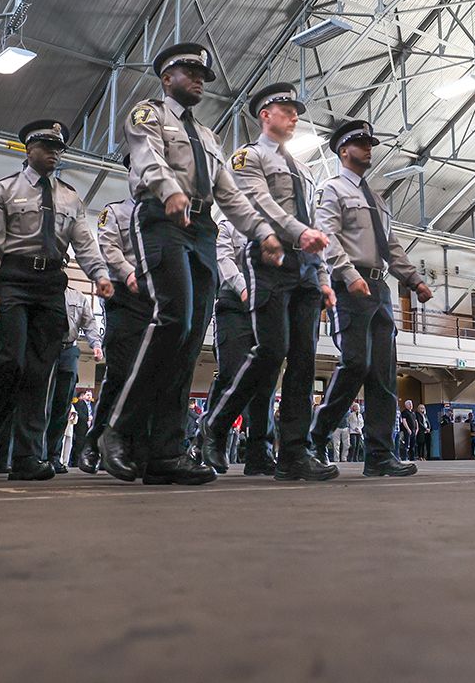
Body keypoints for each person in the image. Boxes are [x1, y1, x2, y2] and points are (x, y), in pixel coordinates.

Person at [101, 42, 282, 486]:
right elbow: (147, 158)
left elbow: (230, 195)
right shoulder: (148, 114)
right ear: (167, 78)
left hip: (202, 230)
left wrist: (263, 232)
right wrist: (170, 191)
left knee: (188, 341)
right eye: (191, 72)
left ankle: (166, 453)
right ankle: (117, 428)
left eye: (203, 75)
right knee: (173, 320)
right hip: (161, 218)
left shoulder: (208, 136)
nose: (200, 80)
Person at [200, 82, 335, 481]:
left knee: (304, 361)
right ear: (265, 114)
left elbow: (313, 222)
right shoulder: (249, 157)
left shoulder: (305, 170)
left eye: (296, 112)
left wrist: (323, 276)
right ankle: (216, 423)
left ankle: (294, 453)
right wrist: (299, 234)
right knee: (271, 351)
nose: (294, 116)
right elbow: (259, 203)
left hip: (304, 267)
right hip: (268, 259)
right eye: (286, 110)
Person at [0, 120, 112, 481]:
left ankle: (27, 456)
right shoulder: (4, 190)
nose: (53, 154)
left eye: (58, 149)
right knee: (9, 364)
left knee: (40, 373)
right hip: (12, 281)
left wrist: (100, 275)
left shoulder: (70, 197)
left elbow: (84, 242)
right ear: (28, 150)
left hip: (50, 285)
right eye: (46, 147)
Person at [309, 119, 433, 477]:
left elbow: (391, 246)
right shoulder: (332, 190)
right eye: (361, 143)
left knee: (383, 373)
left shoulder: (376, 199)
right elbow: (327, 237)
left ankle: (379, 454)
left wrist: (414, 280)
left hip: (380, 289)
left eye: (370, 144)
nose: (368, 149)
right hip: (351, 286)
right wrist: (349, 275)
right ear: (343, 150)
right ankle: (315, 439)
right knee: (355, 363)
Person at [77, 192, 154, 474]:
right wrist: (130, 273)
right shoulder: (116, 211)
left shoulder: (164, 214)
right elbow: (109, 246)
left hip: (156, 298)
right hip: (124, 294)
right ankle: (94, 441)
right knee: (121, 373)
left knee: (149, 376)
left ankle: (134, 447)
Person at [203, 215, 274, 475]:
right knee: (231, 375)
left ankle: (260, 452)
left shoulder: (273, 225)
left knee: (265, 381)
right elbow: (224, 260)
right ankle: (212, 439)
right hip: (234, 304)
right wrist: (245, 290)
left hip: (266, 307)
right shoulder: (229, 224)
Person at [44, 287, 102, 473]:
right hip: (44, 348)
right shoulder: (42, 290)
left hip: (68, 350)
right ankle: (35, 455)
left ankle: (53, 456)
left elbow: (89, 322)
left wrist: (96, 344)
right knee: (41, 405)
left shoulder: (78, 297)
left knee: (62, 407)